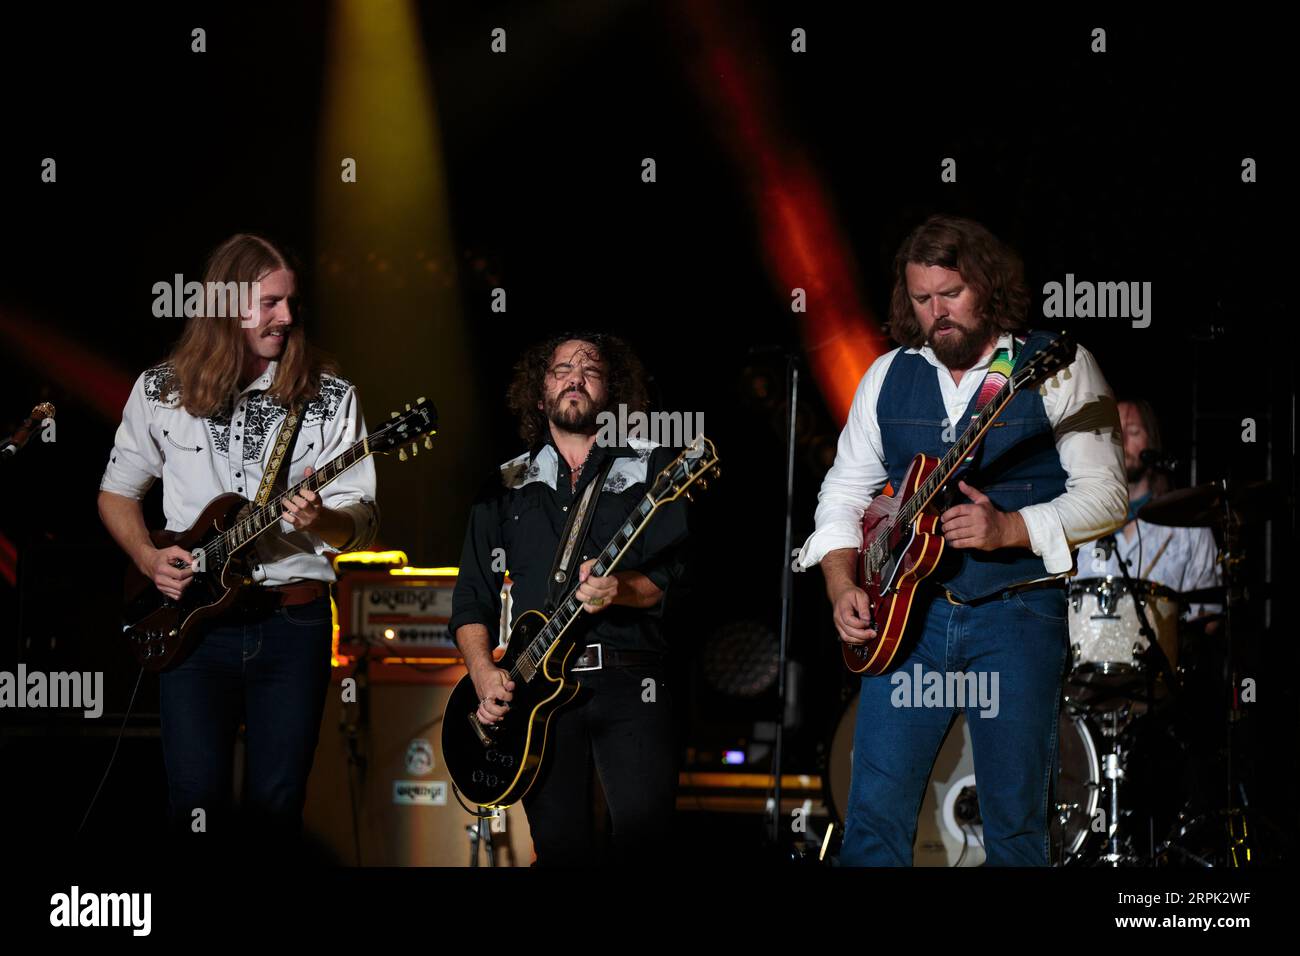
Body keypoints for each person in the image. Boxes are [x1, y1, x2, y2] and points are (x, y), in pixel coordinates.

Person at [794, 214, 1127, 865]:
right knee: (873, 822)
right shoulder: (888, 374)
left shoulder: (1054, 366)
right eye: (922, 300)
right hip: (907, 623)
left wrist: (1013, 528)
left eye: (951, 295)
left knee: (1014, 825)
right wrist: (840, 585)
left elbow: (1108, 495)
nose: (936, 313)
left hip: (1016, 612)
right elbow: (841, 495)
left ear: (987, 286)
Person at [98, 233, 379, 856]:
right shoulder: (160, 390)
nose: (286, 317)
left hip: (293, 622)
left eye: (291, 303)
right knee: (194, 804)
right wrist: (148, 558)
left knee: (277, 809)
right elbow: (116, 495)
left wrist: (319, 519)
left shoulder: (328, 394)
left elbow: (360, 522)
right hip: (194, 628)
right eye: (270, 303)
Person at [449, 332, 688, 865]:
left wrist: (618, 589)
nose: (575, 379)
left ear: (610, 393)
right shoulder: (505, 483)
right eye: (561, 370)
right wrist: (484, 675)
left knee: (647, 845)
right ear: (540, 393)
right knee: (560, 851)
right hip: (536, 699)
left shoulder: (653, 466)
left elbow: (672, 577)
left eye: (590, 370)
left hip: (631, 681)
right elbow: (471, 597)